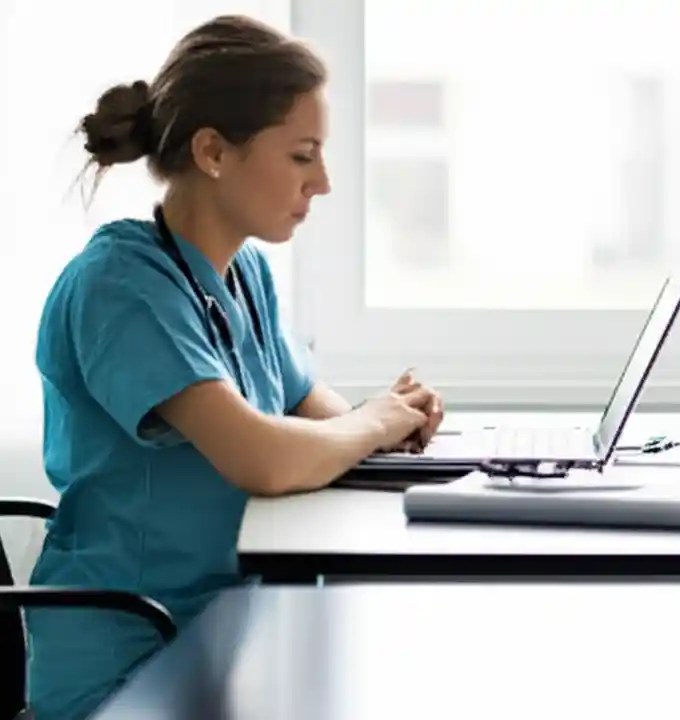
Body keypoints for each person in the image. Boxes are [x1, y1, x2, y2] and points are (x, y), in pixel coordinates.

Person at [27, 15, 445, 719]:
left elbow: (311, 409)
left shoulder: (243, 271)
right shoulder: (121, 287)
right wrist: (371, 424)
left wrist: (395, 422)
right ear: (214, 152)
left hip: (227, 630)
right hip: (137, 657)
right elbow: (262, 458)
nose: (324, 183)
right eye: (302, 155)